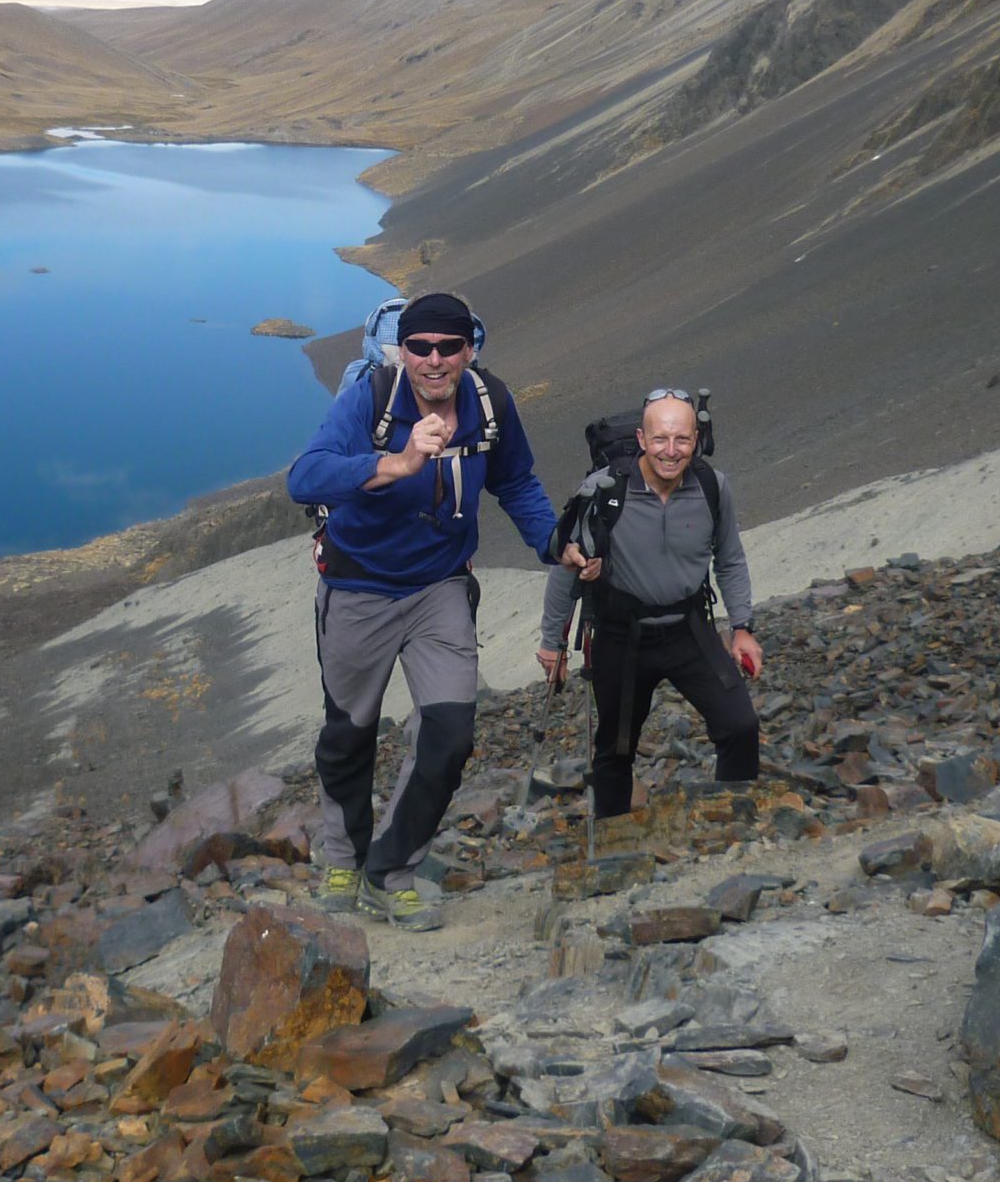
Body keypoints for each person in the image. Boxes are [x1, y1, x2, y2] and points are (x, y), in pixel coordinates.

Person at [288, 291, 558, 932]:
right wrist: (398, 462)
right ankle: (341, 859)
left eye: (448, 347)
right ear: (402, 351)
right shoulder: (371, 398)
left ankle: (389, 871)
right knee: (348, 734)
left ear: (469, 350)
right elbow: (305, 477)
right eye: (420, 347)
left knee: (450, 733)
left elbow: (515, 480)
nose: (434, 360)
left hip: (440, 587)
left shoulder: (489, 402)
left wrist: (553, 543)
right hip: (358, 587)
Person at [538, 390, 763, 819]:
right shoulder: (606, 491)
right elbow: (566, 567)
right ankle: (612, 839)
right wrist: (553, 644)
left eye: (682, 440)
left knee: (740, 725)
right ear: (642, 438)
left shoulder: (713, 487)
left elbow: (730, 558)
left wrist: (742, 626)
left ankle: (735, 821)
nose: (671, 451)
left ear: (696, 440)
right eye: (660, 439)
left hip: (689, 627)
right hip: (621, 635)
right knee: (616, 749)